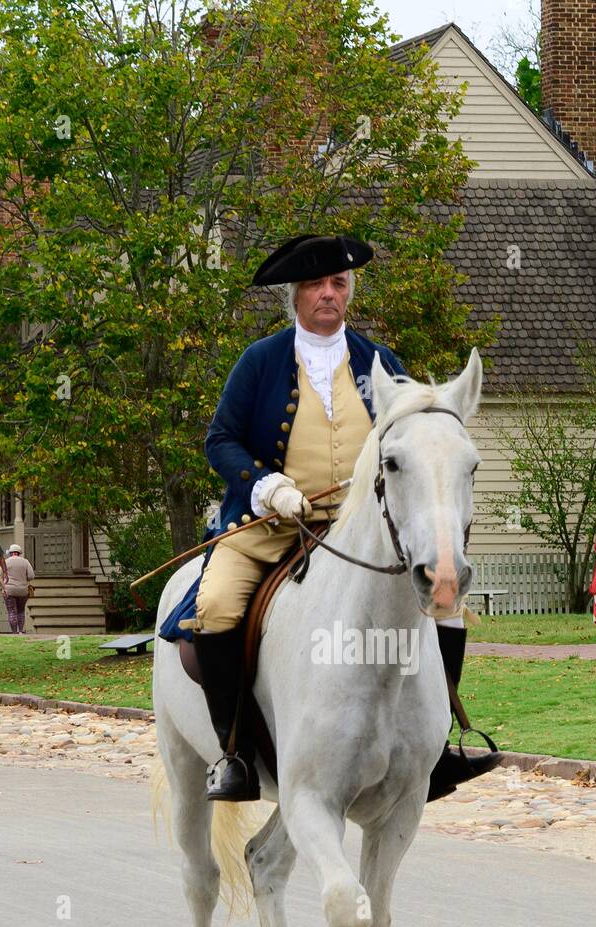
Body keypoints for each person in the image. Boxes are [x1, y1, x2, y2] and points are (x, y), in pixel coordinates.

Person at [182, 231, 501, 802]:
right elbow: (220, 439)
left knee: (448, 607)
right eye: (315, 285)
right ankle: (234, 756)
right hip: (270, 525)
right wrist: (266, 486)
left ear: (349, 291)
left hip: (360, 529)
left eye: (338, 283)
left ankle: (438, 747)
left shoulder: (382, 363)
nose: (328, 294)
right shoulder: (260, 362)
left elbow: (414, 443)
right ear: (295, 296)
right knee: (215, 604)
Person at [0, 544, 35, 634]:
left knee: (12, 611)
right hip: (23, 591)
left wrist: (1, 587)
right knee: (21, 611)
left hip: (9, 590)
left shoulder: (5, 562)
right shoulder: (25, 562)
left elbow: (0, 576)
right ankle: (20, 631)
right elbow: (31, 576)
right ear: (19, 553)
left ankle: (14, 632)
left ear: (10, 553)